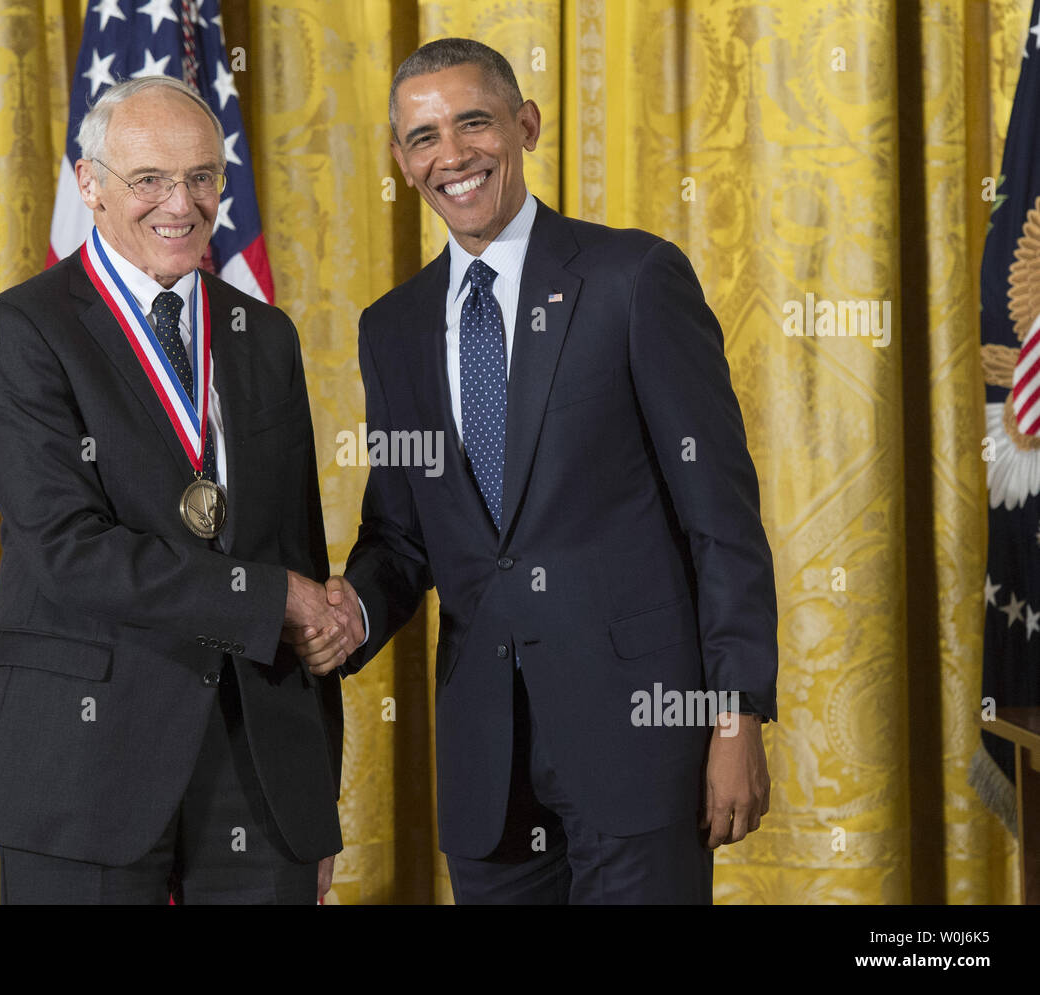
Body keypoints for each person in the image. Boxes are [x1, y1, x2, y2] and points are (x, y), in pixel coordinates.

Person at [289, 39, 777, 904]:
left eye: (474, 122)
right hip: (489, 767)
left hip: (640, 745)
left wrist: (735, 715)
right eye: (425, 137)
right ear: (402, 163)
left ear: (526, 125)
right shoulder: (392, 329)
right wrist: (352, 611)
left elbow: (722, 516)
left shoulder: (633, 278)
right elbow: (402, 532)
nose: (453, 155)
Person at [0, 76, 355, 904]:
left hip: (259, 768)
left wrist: (315, 800)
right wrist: (270, 596)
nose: (182, 203)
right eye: (149, 180)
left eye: (203, 176)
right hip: (83, 762)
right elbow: (70, 551)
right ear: (89, 186)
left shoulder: (263, 334)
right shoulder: (22, 331)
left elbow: (297, 548)